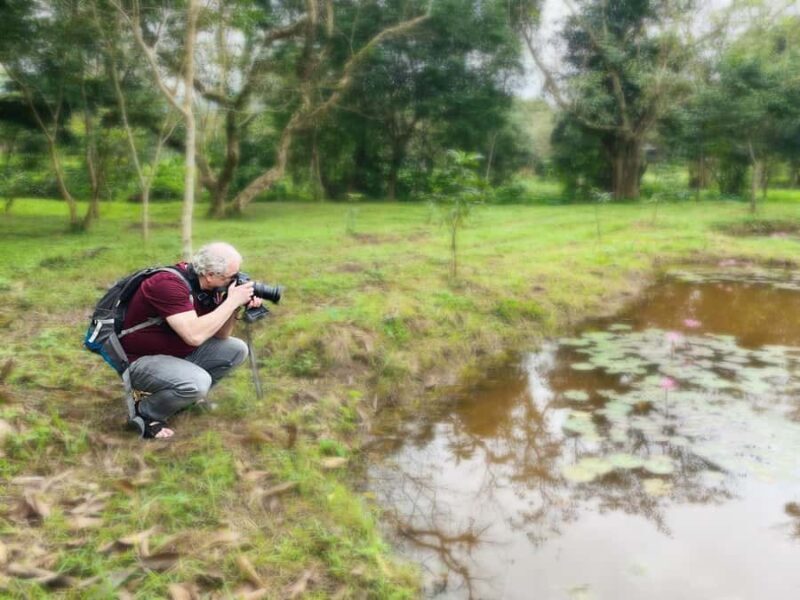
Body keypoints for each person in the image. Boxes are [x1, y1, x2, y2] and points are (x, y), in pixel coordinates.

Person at [121, 242, 261, 439]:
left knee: (237, 349)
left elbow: (221, 335)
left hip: (175, 353)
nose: (236, 281)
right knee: (197, 382)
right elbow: (194, 336)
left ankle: (183, 399)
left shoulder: (209, 288)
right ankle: (145, 413)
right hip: (138, 361)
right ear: (211, 275)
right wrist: (231, 301)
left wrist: (234, 306)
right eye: (232, 277)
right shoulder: (167, 284)